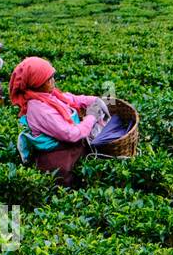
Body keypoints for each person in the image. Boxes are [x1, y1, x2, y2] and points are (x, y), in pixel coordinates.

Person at [9, 56, 104, 187]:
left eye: (53, 76)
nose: (53, 81)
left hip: (73, 153)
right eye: (48, 79)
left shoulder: (49, 95)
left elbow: (71, 98)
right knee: (69, 190)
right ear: (37, 83)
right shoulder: (39, 110)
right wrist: (91, 117)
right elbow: (71, 134)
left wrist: (94, 100)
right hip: (58, 165)